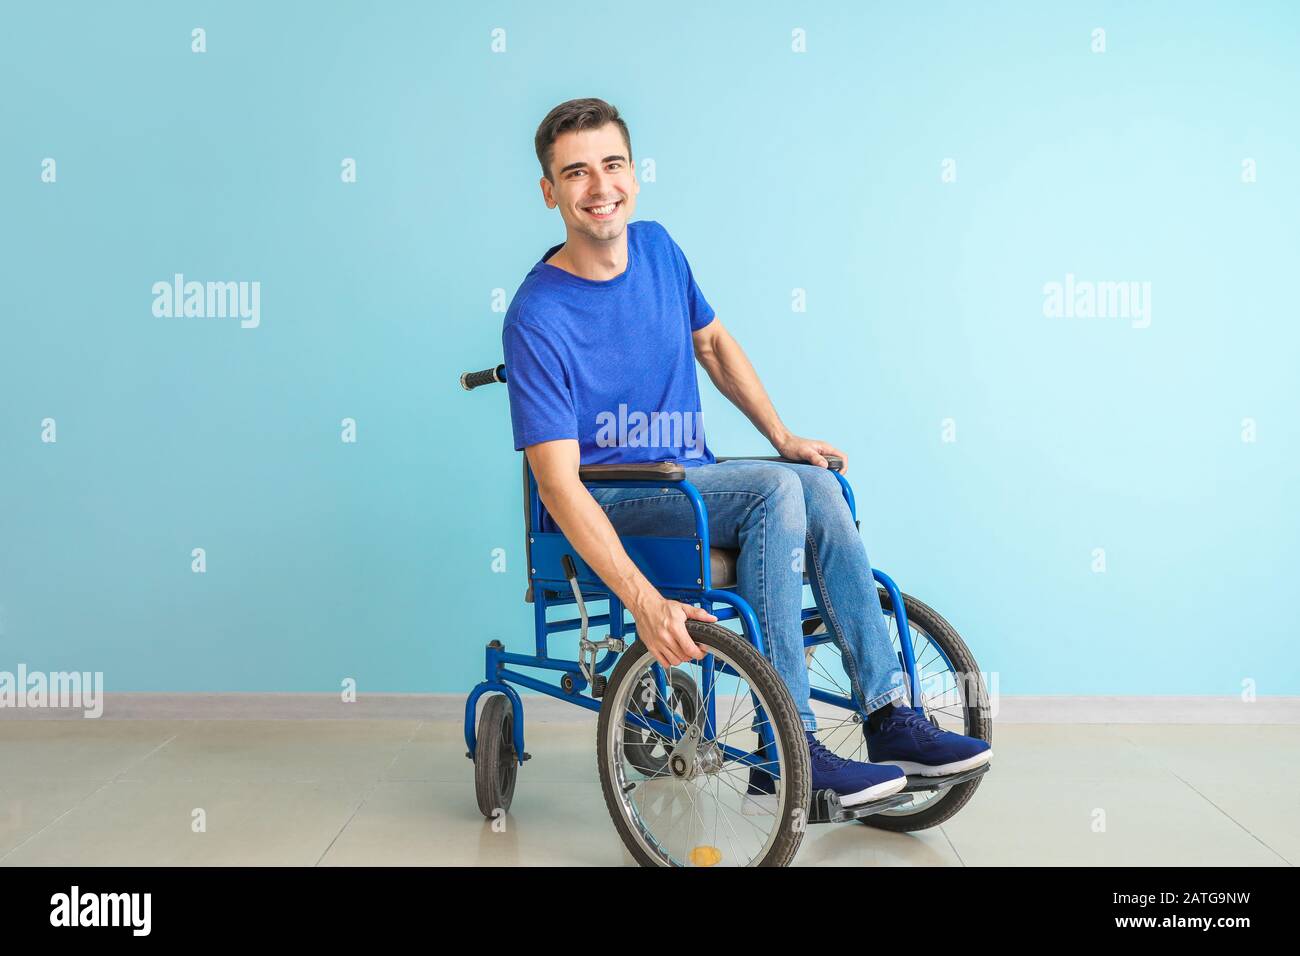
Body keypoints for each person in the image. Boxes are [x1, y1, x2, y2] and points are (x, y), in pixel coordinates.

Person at [502, 98, 991, 809]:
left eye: (612, 165)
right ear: (550, 192)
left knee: (812, 482)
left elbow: (713, 345)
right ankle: (788, 738)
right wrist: (642, 602)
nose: (599, 186)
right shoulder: (537, 315)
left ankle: (888, 717)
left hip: (690, 480)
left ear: (634, 174)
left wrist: (784, 440)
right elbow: (555, 485)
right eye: (575, 173)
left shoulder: (660, 249)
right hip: (613, 494)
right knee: (775, 492)